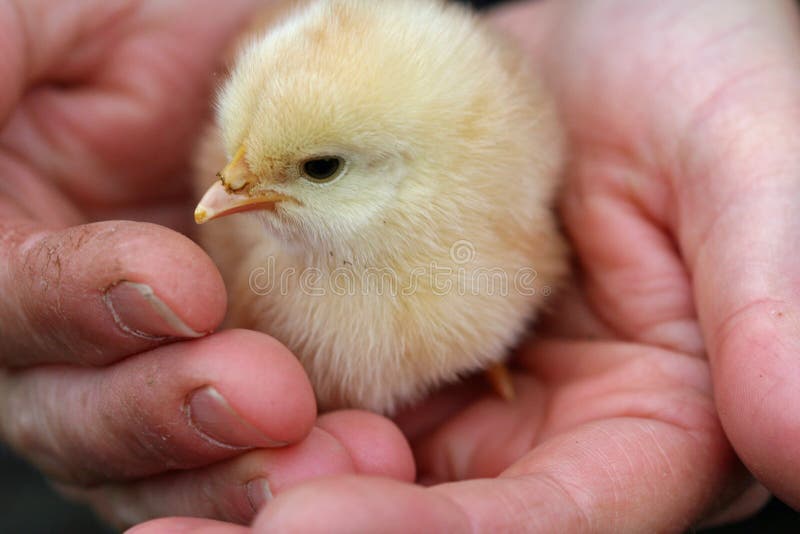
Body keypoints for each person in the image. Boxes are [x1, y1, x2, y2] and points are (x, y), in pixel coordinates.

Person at [0, 0, 797, 531]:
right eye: (236, 149)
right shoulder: (272, 238)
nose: (219, 190)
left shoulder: (486, 233)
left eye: (313, 171)